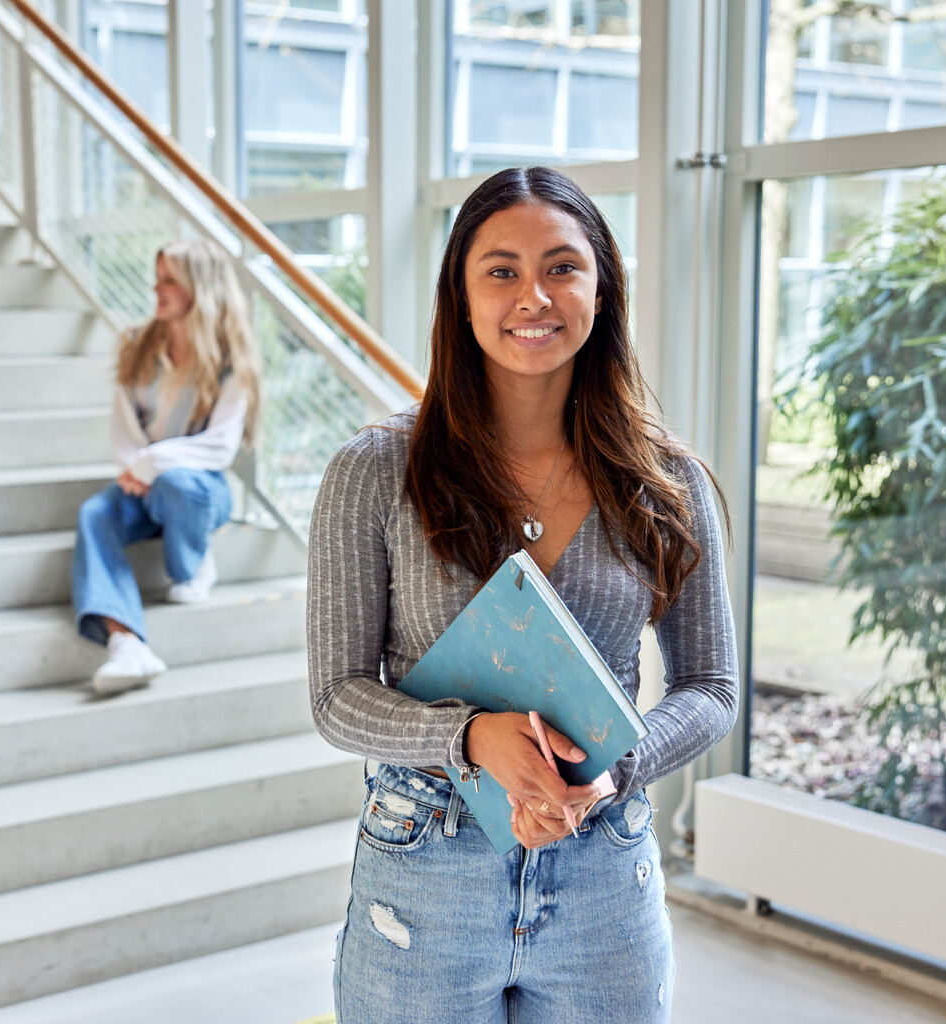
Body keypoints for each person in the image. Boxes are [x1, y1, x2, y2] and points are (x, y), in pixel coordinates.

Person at [307, 166, 739, 1023]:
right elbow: (334, 698)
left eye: (562, 267)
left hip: (603, 871)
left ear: (601, 287)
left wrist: (617, 765)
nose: (532, 296)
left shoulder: (667, 481)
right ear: (460, 298)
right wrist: (467, 737)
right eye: (500, 270)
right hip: (424, 873)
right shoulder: (374, 471)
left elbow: (712, 689)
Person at [72, 238, 261, 696]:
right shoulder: (135, 343)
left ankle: (193, 560)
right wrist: (137, 466)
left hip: (200, 487)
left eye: (169, 280)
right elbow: (125, 429)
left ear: (200, 286)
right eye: (157, 278)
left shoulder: (232, 356)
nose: (157, 289)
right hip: (142, 483)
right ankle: (125, 642)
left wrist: (152, 463)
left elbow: (218, 447)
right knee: (95, 513)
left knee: (179, 484)